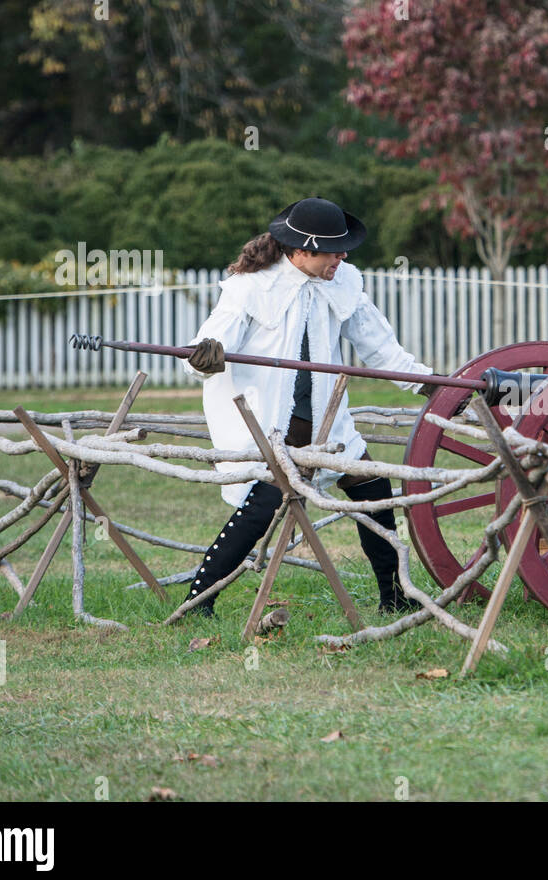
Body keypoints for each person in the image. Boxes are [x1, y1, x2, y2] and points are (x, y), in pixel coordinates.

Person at [182, 196, 433, 617]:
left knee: (373, 492)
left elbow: (380, 346)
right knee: (262, 508)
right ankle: (197, 602)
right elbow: (213, 339)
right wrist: (203, 355)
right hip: (268, 423)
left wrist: (423, 384)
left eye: (343, 248)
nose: (342, 256)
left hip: (328, 423)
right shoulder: (251, 288)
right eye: (332, 250)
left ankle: (393, 598)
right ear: (300, 251)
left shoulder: (344, 283)